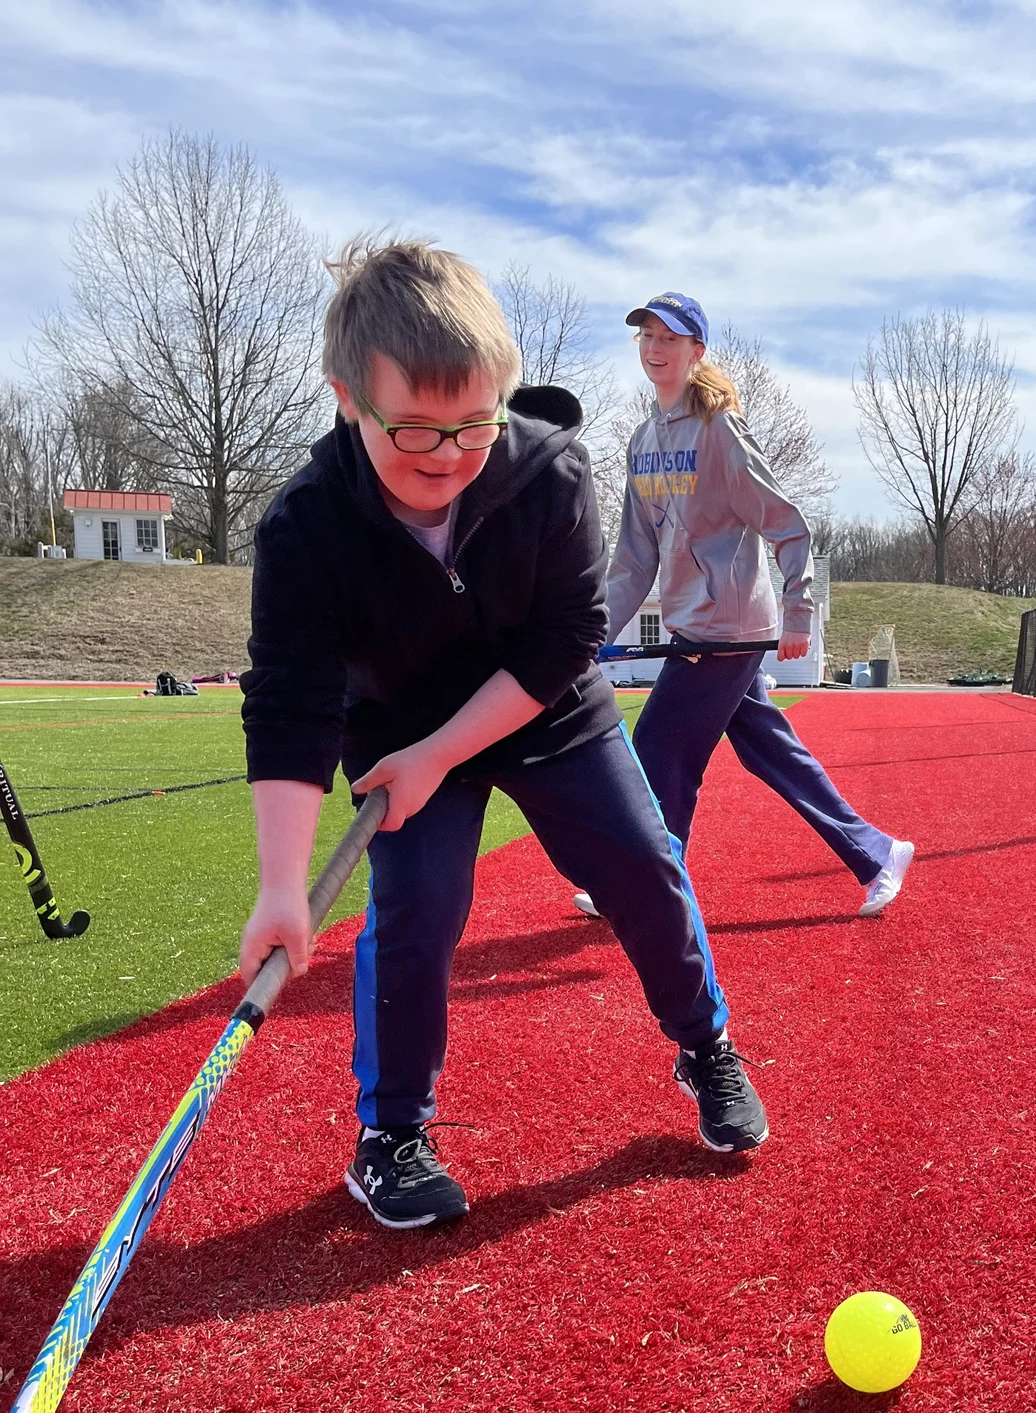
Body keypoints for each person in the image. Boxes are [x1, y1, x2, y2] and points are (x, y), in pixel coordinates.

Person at [240, 240, 768, 1230]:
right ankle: (390, 1133)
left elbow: (569, 636)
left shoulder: (552, 472)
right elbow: (290, 698)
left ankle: (709, 1048)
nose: (447, 456)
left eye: (474, 425)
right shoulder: (304, 526)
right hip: (394, 721)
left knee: (645, 867)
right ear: (346, 396)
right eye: (414, 431)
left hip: (545, 707)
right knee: (418, 909)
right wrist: (281, 886)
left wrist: (444, 754)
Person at [572, 293, 913, 923]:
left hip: (726, 629)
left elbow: (788, 524)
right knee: (769, 751)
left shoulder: (720, 429)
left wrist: (799, 613)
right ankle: (878, 851)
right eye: (646, 336)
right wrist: (592, 634)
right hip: (692, 626)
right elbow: (632, 561)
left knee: (659, 751)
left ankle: (646, 882)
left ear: (696, 350)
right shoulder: (643, 441)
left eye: (670, 337)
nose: (655, 347)